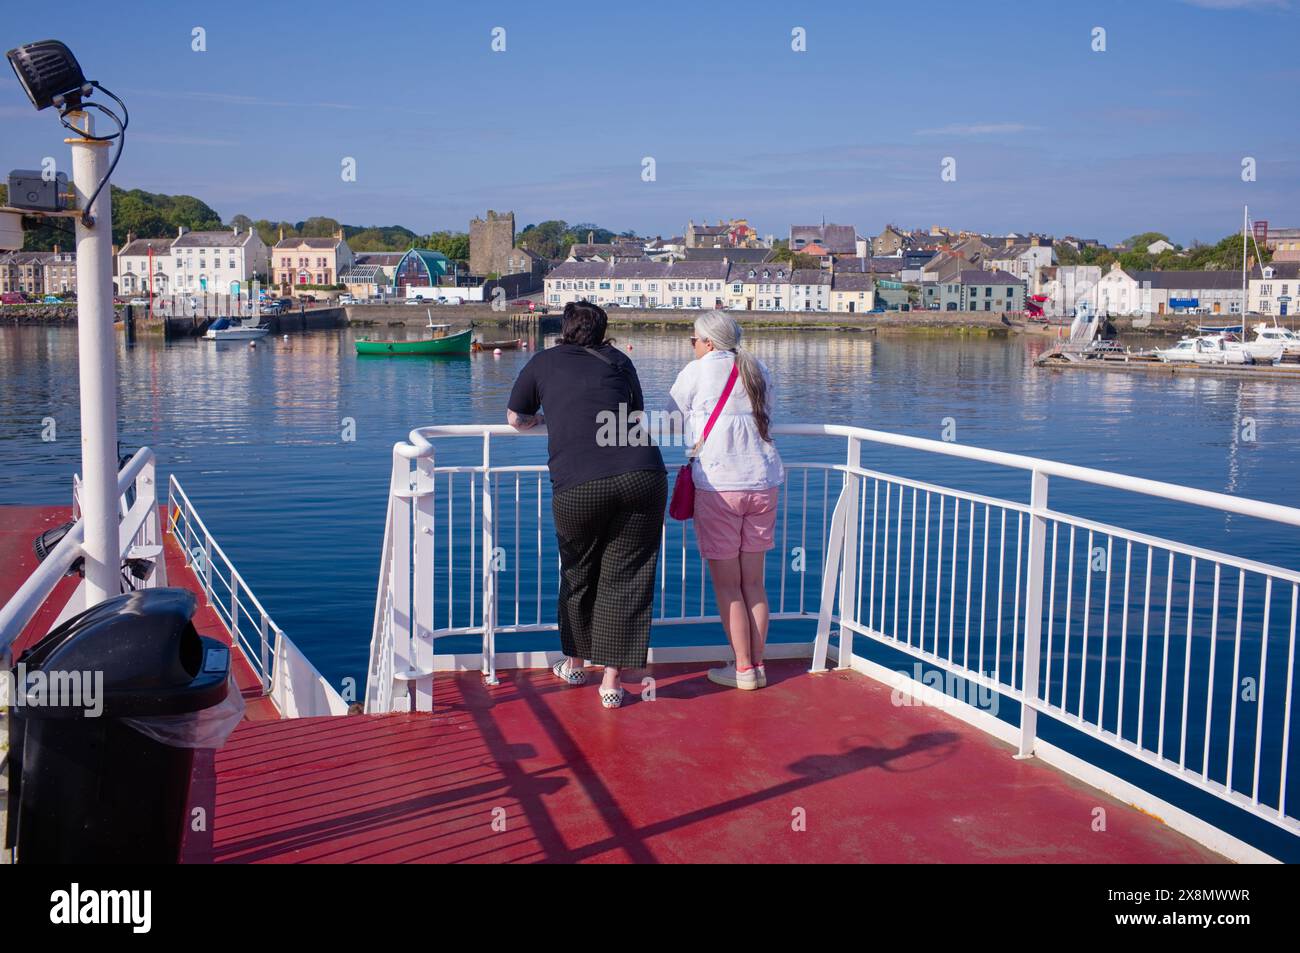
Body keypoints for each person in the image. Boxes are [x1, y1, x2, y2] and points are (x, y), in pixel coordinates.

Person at [507, 301, 666, 709]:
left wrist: (544, 420)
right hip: (642, 474)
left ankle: (575, 662)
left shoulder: (543, 362)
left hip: (579, 483)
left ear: (564, 328)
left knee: (578, 572)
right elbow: (635, 413)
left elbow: (515, 417)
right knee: (627, 577)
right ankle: (611, 681)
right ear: (603, 329)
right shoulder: (617, 360)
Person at [667, 310, 783, 691]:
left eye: (694, 340)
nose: (692, 346)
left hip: (720, 485)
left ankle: (744, 669)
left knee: (728, 587)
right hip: (763, 482)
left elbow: (670, 421)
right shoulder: (758, 369)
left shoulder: (696, 372)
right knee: (754, 583)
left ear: (709, 343)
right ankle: (757, 664)